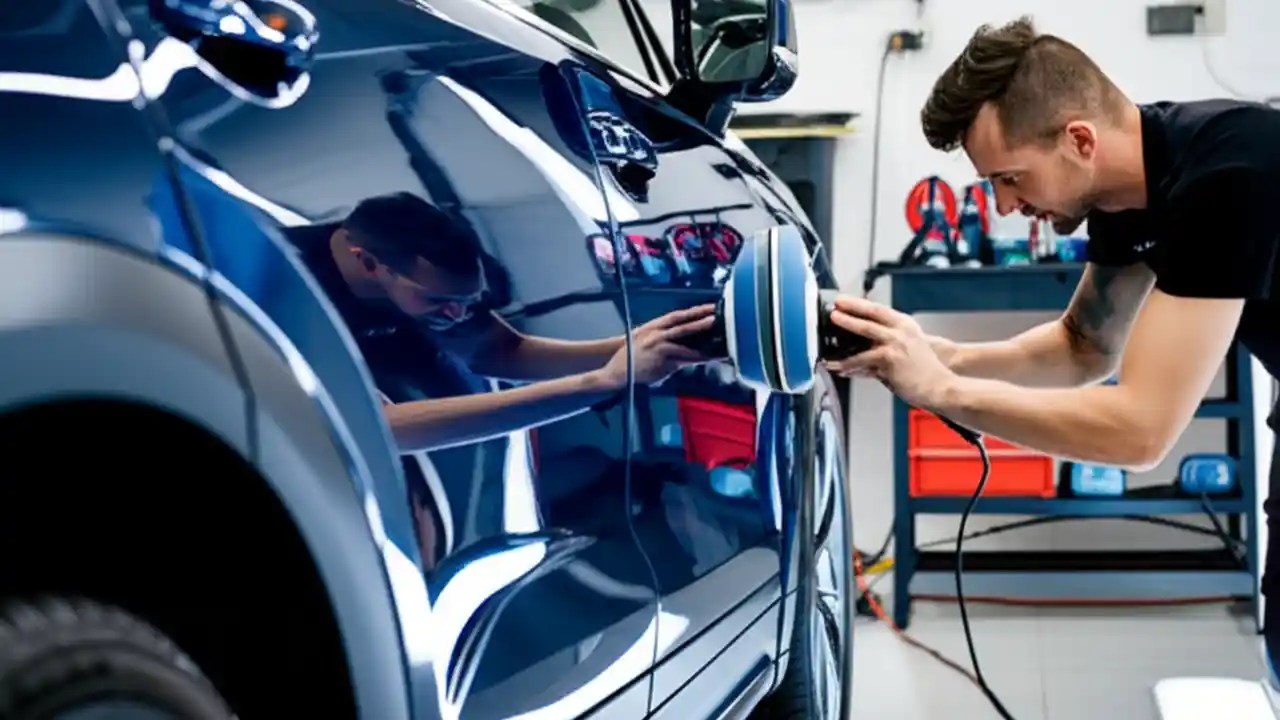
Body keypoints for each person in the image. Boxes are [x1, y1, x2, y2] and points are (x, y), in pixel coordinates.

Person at [824, 15, 1280, 686]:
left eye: (1010, 178)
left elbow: (1140, 431)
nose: (1006, 207)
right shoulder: (1131, 192)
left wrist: (943, 392)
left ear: (1079, 139)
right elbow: (1084, 344)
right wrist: (937, 353)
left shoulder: (1230, 170)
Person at [285, 191, 715, 453]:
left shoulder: (424, 277)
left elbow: (499, 350)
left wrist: (641, 344)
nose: (456, 313)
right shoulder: (288, 285)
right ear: (369, 264)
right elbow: (379, 428)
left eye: (465, 301)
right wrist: (602, 382)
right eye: (440, 301)